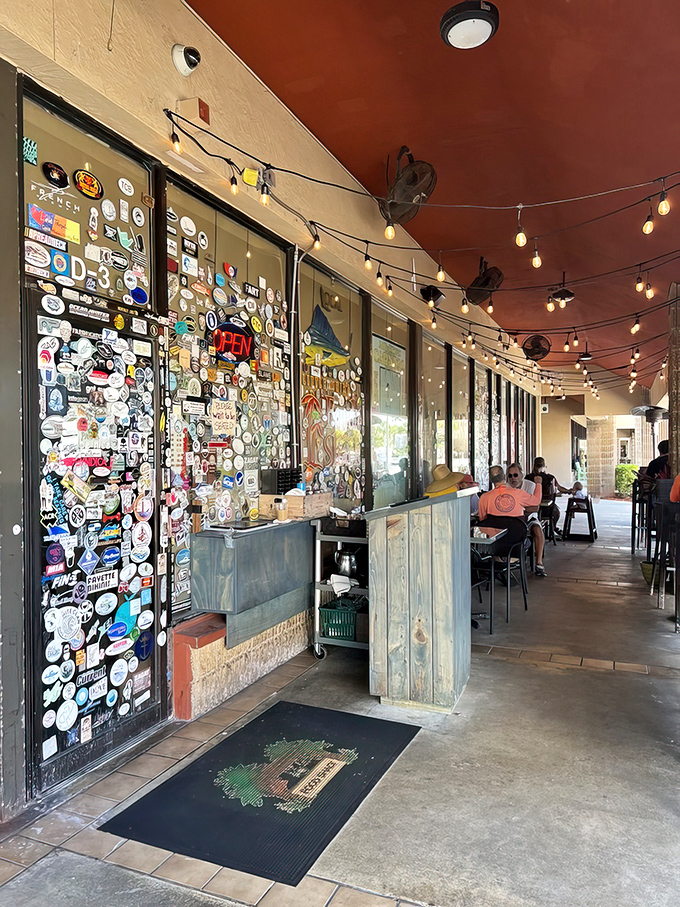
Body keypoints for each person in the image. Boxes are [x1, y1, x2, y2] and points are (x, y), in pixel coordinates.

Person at [506, 462, 547, 577]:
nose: (513, 478)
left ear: (521, 474)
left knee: (537, 529)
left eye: (515, 475)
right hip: (511, 518)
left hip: (529, 517)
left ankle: (539, 562)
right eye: (510, 476)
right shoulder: (506, 487)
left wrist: (517, 506)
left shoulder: (530, 486)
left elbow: (535, 507)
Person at [526, 456, 573, 536]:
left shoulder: (528, 478)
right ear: (544, 466)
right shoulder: (550, 478)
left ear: (533, 466)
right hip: (548, 510)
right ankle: (553, 528)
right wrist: (569, 491)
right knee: (556, 511)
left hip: (531, 509)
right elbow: (559, 488)